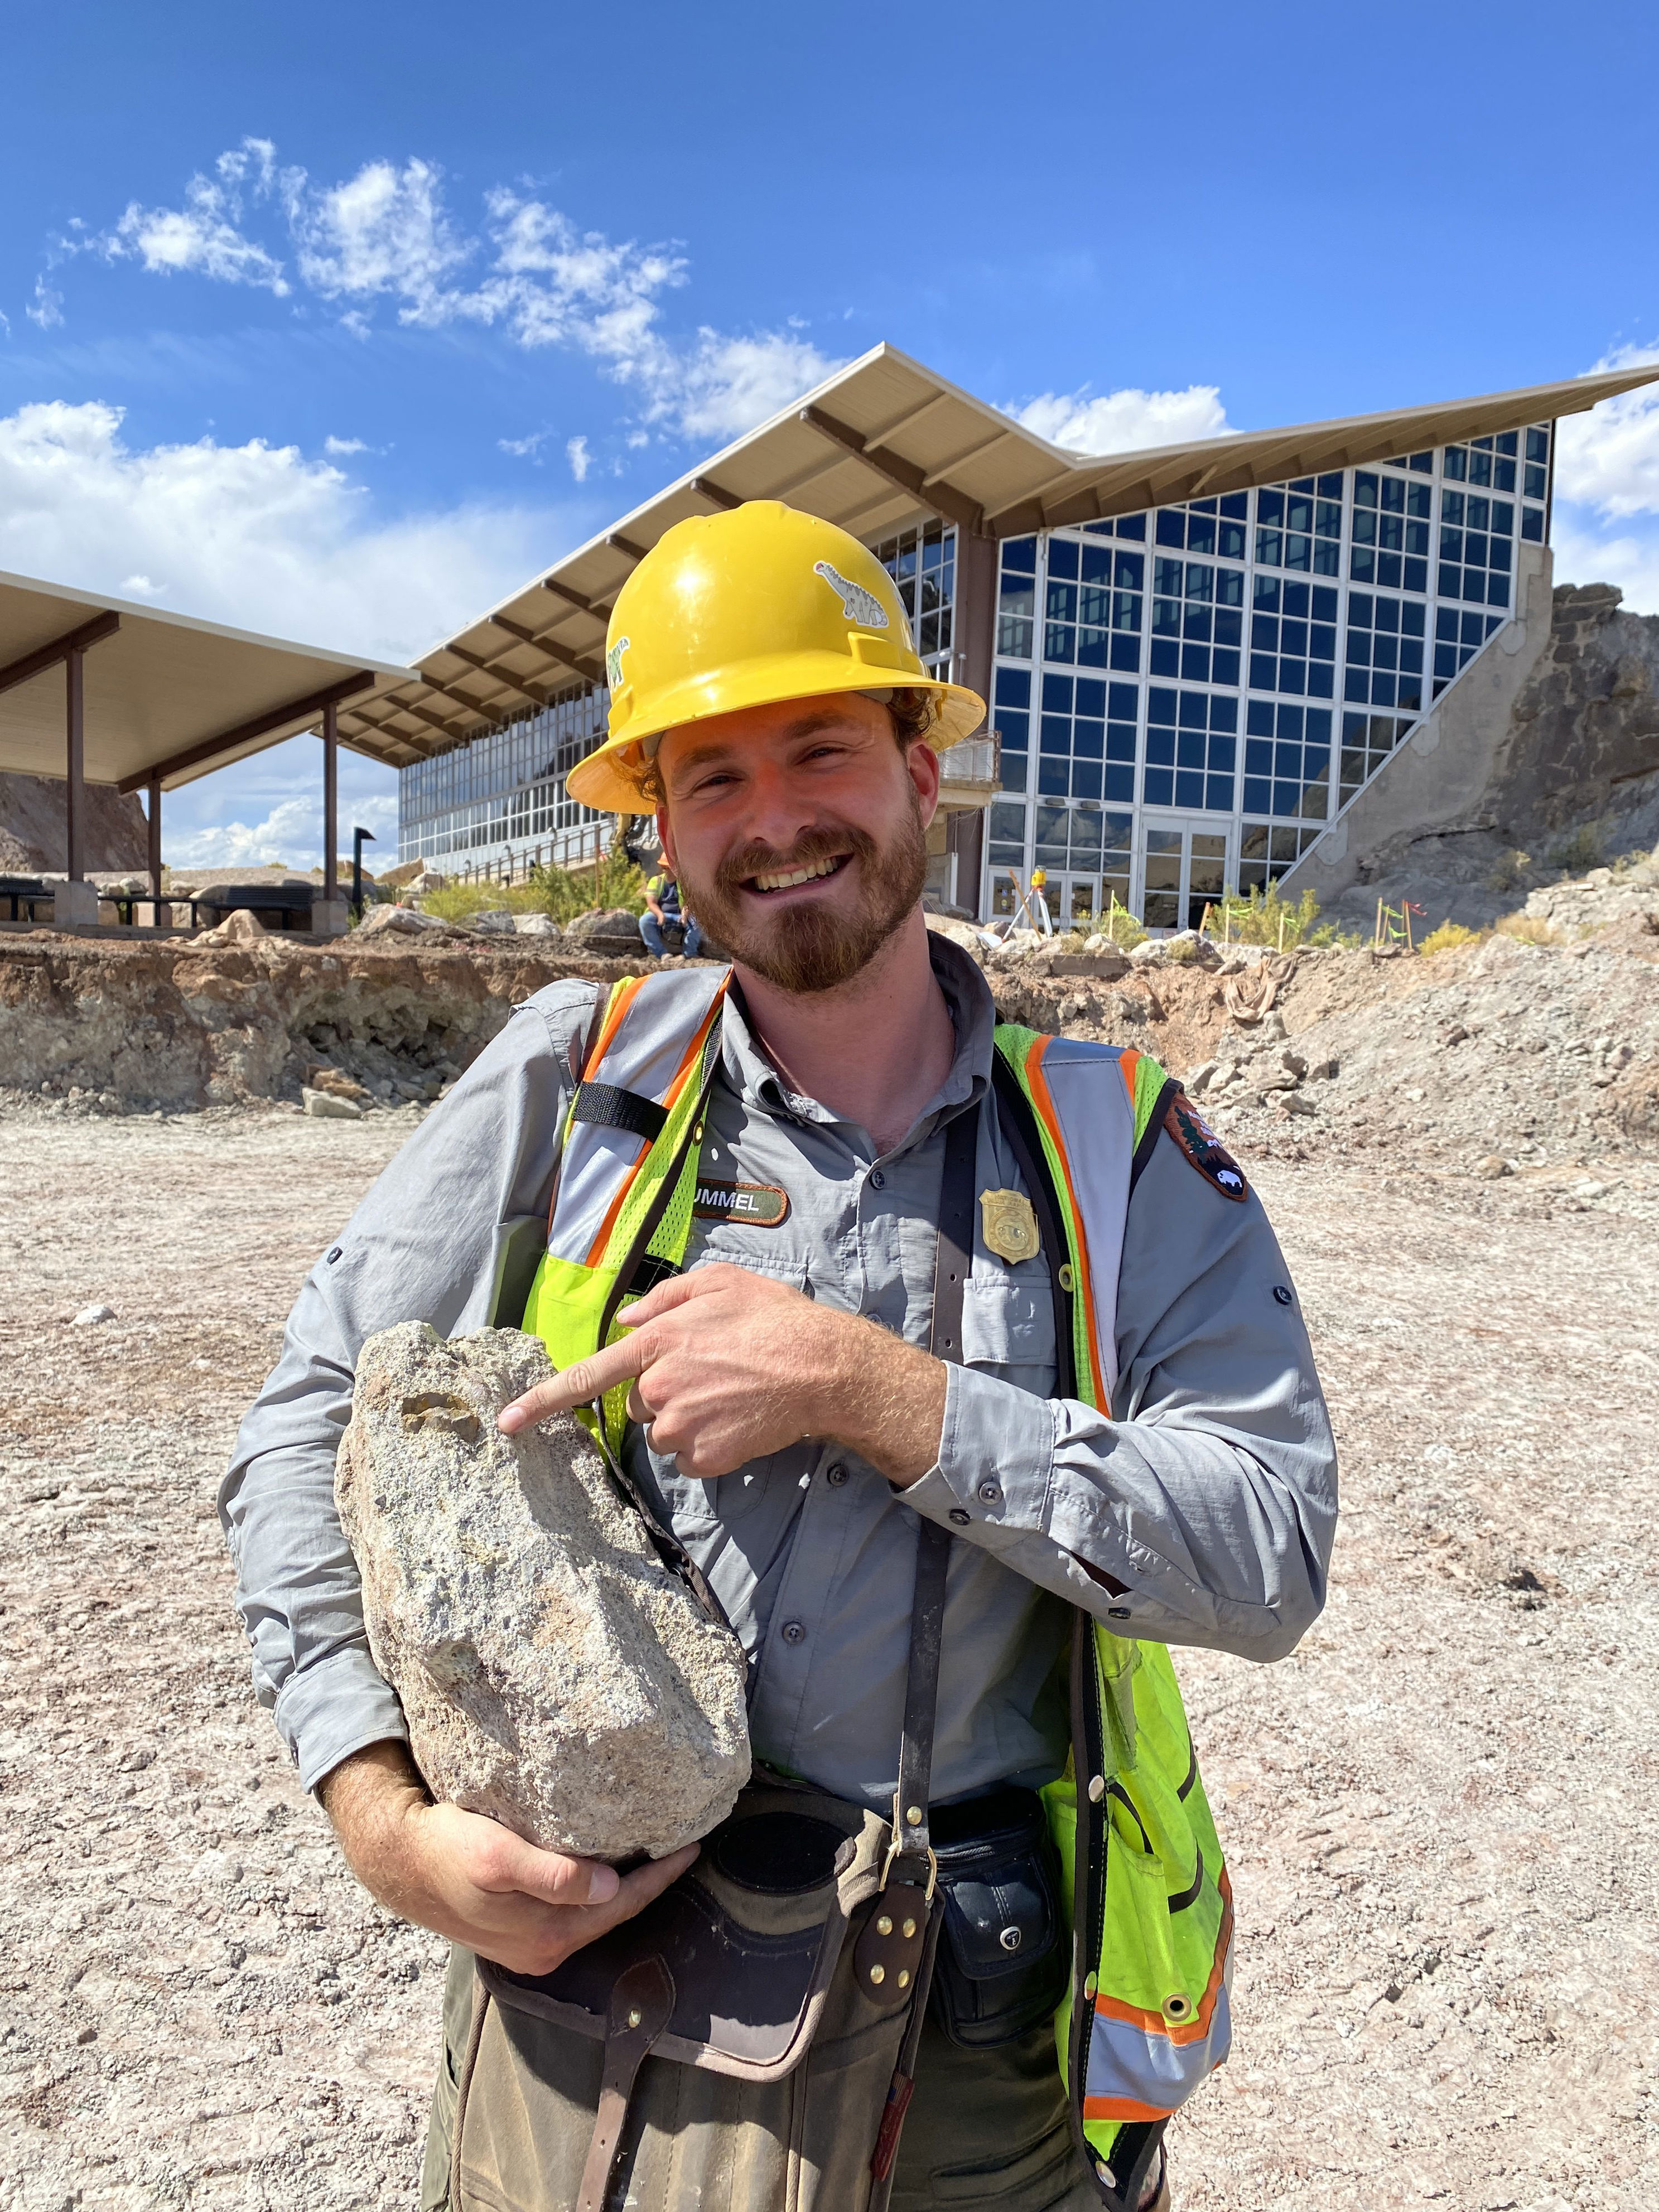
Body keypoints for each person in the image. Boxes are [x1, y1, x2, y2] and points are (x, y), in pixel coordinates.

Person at [222, 501, 1337, 2212]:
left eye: (819, 747)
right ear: (657, 827)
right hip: (593, 2031)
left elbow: (1267, 1551)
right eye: (710, 778)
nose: (772, 819)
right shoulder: (578, 1081)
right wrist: (380, 1810)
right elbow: (307, 1421)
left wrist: (875, 1390)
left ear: (916, 769)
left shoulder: (1111, 1143)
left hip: (977, 2077)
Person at [639, 858, 703, 958]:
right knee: (645, 921)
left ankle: (689, 954)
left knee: (695, 922)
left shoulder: (684, 882)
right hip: (661, 914)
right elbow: (651, 903)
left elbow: (689, 902)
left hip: (679, 915)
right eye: (665, 867)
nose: (666, 870)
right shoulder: (656, 881)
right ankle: (661, 954)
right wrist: (660, 915)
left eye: (668, 867)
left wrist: (685, 915)